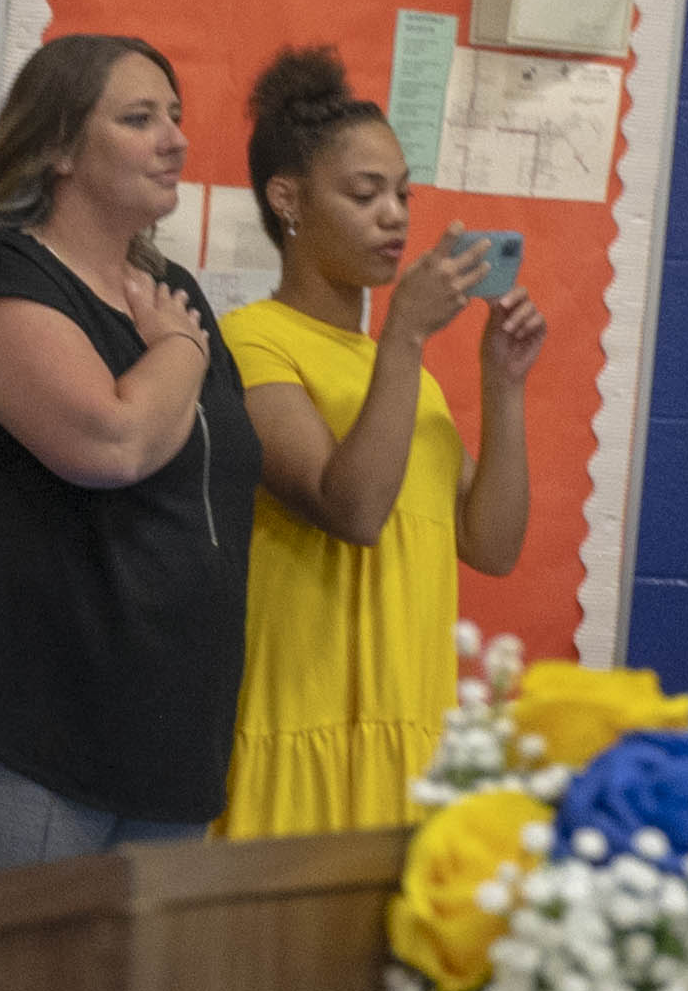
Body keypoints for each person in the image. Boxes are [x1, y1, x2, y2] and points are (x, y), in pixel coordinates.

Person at [0, 36, 254, 879]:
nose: (175, 139)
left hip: (162, 746)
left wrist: (176, 335)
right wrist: (179, 350)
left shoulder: (169, 294)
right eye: (140, 119)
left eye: (176, 116)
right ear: (58, 147)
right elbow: (109, 442)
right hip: (13, 725)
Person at [217, 46, 539, 834]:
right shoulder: (249, 343)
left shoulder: (407, 376)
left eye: (402, 193)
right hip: (300, 733)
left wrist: (502, 383)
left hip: (408, 741)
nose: (395, 216)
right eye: (365, 194)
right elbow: (353, 509)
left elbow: (492, 544)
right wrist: (405, 336)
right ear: (287, 200)